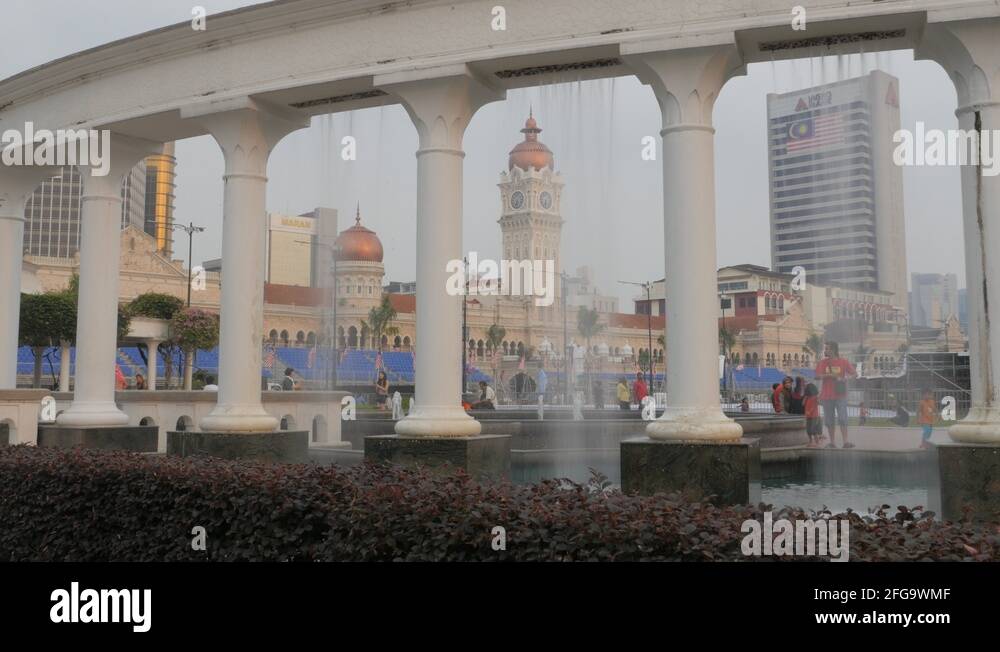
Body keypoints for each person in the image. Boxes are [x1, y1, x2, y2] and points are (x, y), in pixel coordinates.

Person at [815, 341, 857, 448]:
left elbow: (854, 374)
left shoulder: (843, 361)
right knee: (829, 420)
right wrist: (829, 375)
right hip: (827, 396)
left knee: (843, 418)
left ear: (833, 350)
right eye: (825, 348)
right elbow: (817, 376)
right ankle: (832, 442)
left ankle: (845, 442)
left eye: (827, 349)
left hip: (840, 395)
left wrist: (844, 378)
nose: (826, 351)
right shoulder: (823, 362)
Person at [803, 382, 822, 447]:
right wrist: (805, 398)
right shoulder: (807, 398)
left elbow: (815, 405)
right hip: (808, 416)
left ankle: (817, 442)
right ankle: (810, 441)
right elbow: (802, 404)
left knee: (813, 430)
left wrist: (810, 411)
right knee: (808, 430)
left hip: (814, 416)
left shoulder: (815, 397)